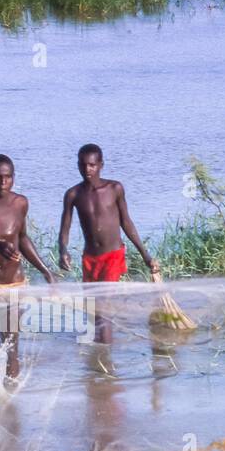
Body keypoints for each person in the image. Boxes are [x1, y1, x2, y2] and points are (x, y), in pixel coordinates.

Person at [0, 154, 56, 396]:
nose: (2, 182)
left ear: (13, 178)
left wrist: (45, 270)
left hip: (14, 282)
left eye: (7, 177)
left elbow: (22, 238)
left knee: (11, 342)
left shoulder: (20, 203)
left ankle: (11, 395)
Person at [58, 143, 158, 343]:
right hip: (90, 258)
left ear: (101, 165)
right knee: (93, 308)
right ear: (78, 165)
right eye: (83, 165)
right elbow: (65, 229)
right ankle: (100, 351)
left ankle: (106, 356)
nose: (87, 169)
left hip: (113, 255)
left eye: (92, 165)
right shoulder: (73, 195)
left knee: (104, 305)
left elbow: (126, 223)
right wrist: (63, 251)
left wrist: (146, 256)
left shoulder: (114, 188)